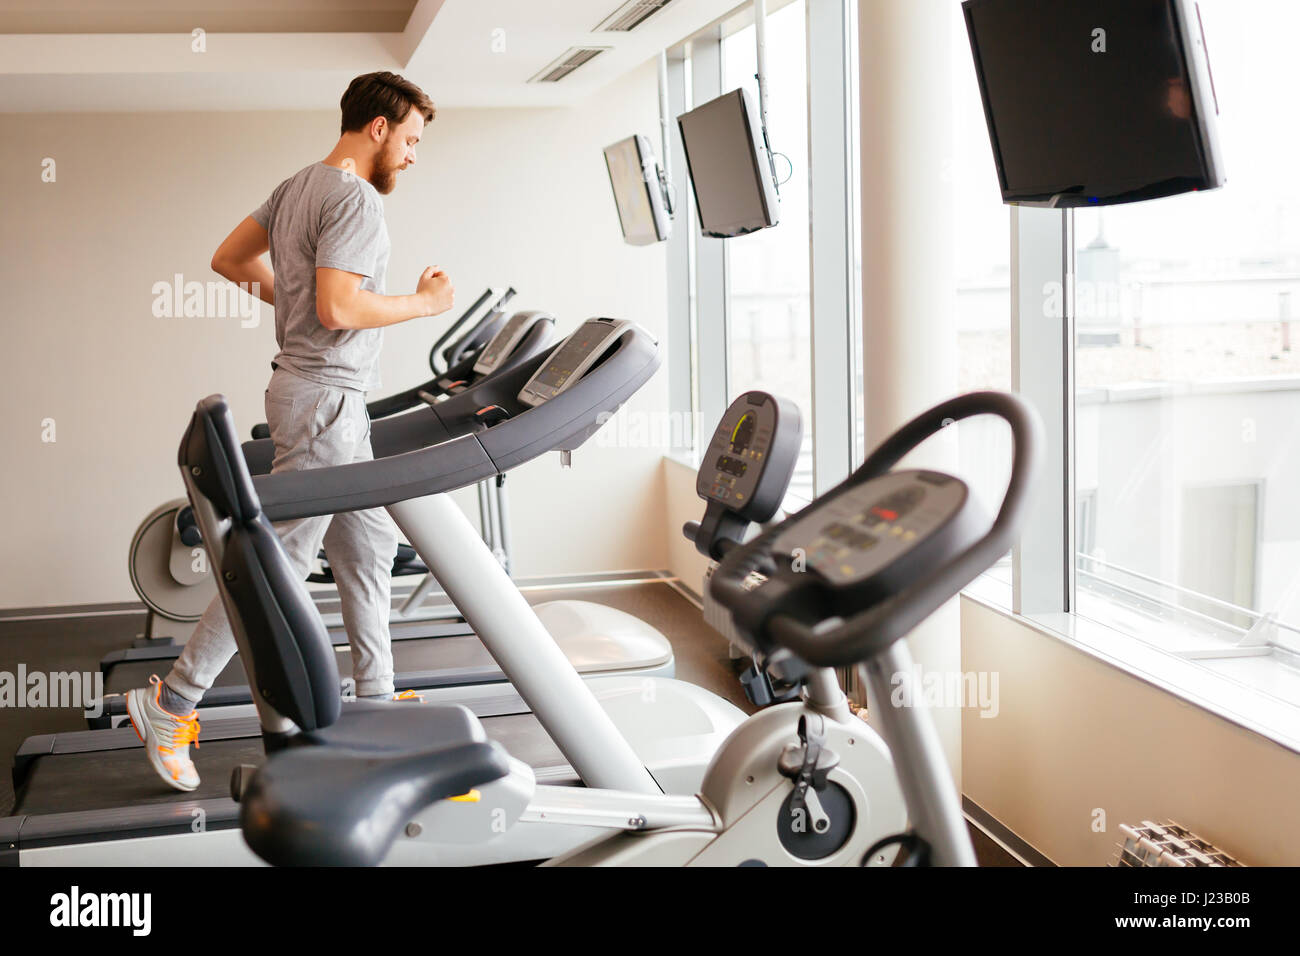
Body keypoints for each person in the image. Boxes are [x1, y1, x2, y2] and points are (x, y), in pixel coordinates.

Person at [126, 71, 455, 791]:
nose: (412, 155)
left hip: (310, 393)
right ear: (378, 127)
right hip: (327, 402)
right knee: (277, 569)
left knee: (369, 547)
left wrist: (299, 298)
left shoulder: (297, 186)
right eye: (410, 140)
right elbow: (340, 311)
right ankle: (173, 701)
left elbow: (231, 261)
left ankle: (374, 702)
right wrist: (425, 305)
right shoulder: (358, 201)